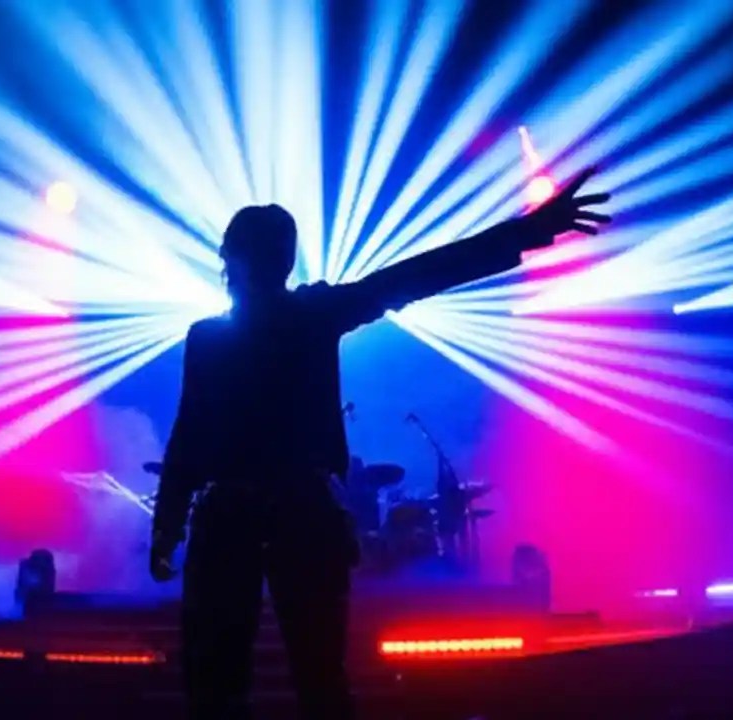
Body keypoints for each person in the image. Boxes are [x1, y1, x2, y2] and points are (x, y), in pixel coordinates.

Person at [151, 168, 611, 718]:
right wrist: (527, 232)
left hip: (241, 517)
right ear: (282, 261)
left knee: (227, 687)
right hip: (298, 514)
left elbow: (188, 435)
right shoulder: (303, 317)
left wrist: (168, 525)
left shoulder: (215, 337)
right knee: (317, 681)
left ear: (232, 259)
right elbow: (413, 277)